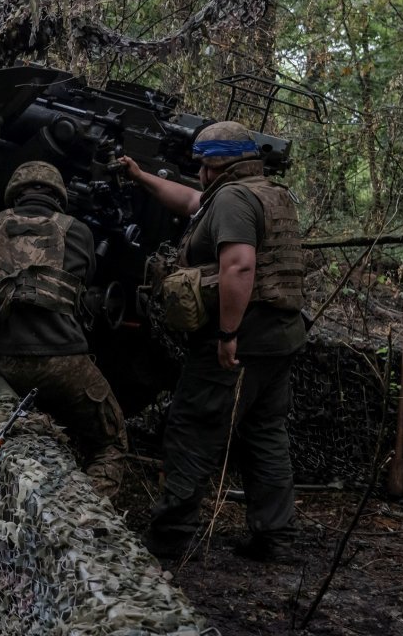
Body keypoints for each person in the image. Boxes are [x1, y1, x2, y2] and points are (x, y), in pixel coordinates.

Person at [119, 121, 308, 563]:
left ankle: (168, 540)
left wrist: (226, 335)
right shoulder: (266, 193)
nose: (198, 173)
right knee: (264, 435)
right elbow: (189, 202)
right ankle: (275, 537)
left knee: (192, 429)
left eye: (202, 164)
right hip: (280, 337)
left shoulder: (233, 200)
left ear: (216, 165)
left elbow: (239, 266)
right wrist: (141, 176)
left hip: (242, 339)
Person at [0, 160, 127, 499]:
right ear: (59, 196)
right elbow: (83, 290)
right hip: (64, 362)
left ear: (15, 193)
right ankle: (84, 514)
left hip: (4, 361)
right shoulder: (79, 231)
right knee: (111, 440)